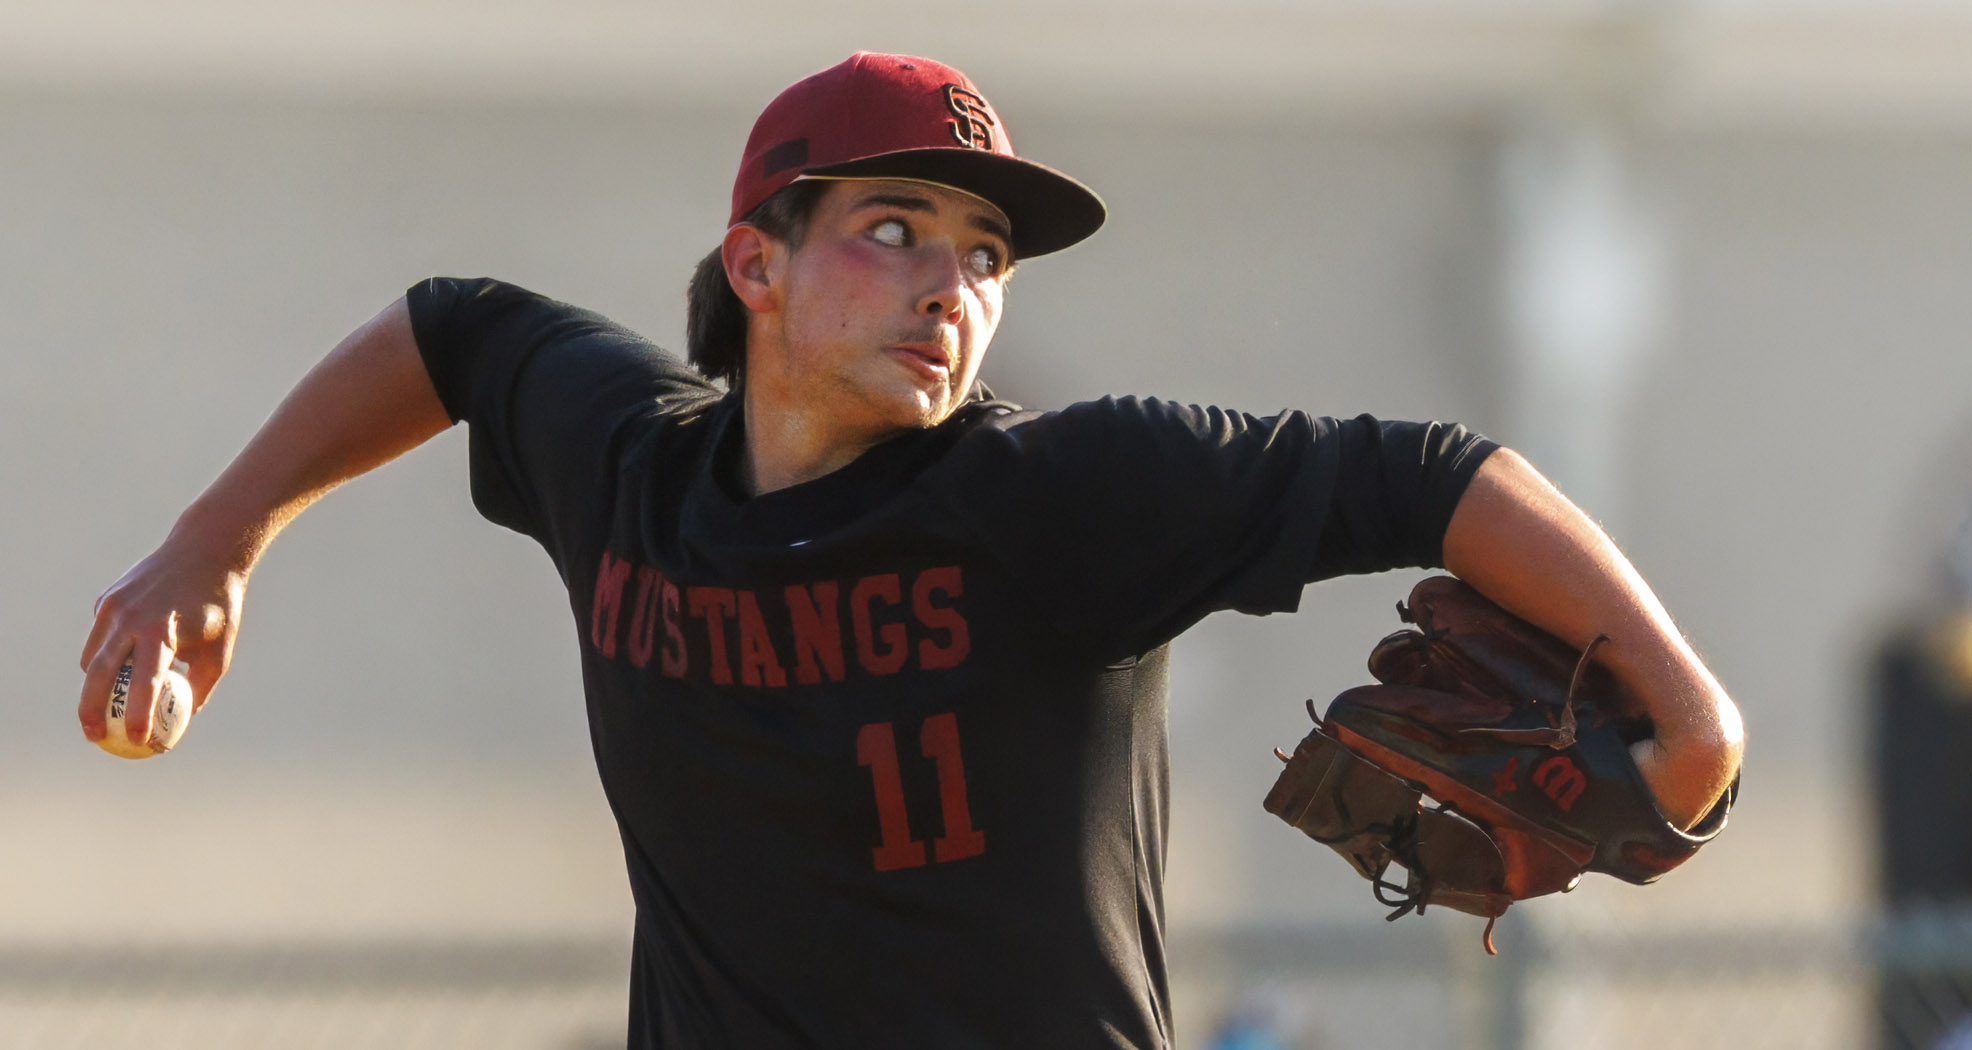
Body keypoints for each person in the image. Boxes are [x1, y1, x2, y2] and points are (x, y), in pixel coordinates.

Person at [77, 52, 1743, 1048]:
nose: (952, 281)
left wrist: (1690, 708)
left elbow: (1430, 472)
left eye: (984, 248)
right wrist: (212, 543)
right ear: (757, 261)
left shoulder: (1060, 499)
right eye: (891, 230)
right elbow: (451, 333)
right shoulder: (631, 467)